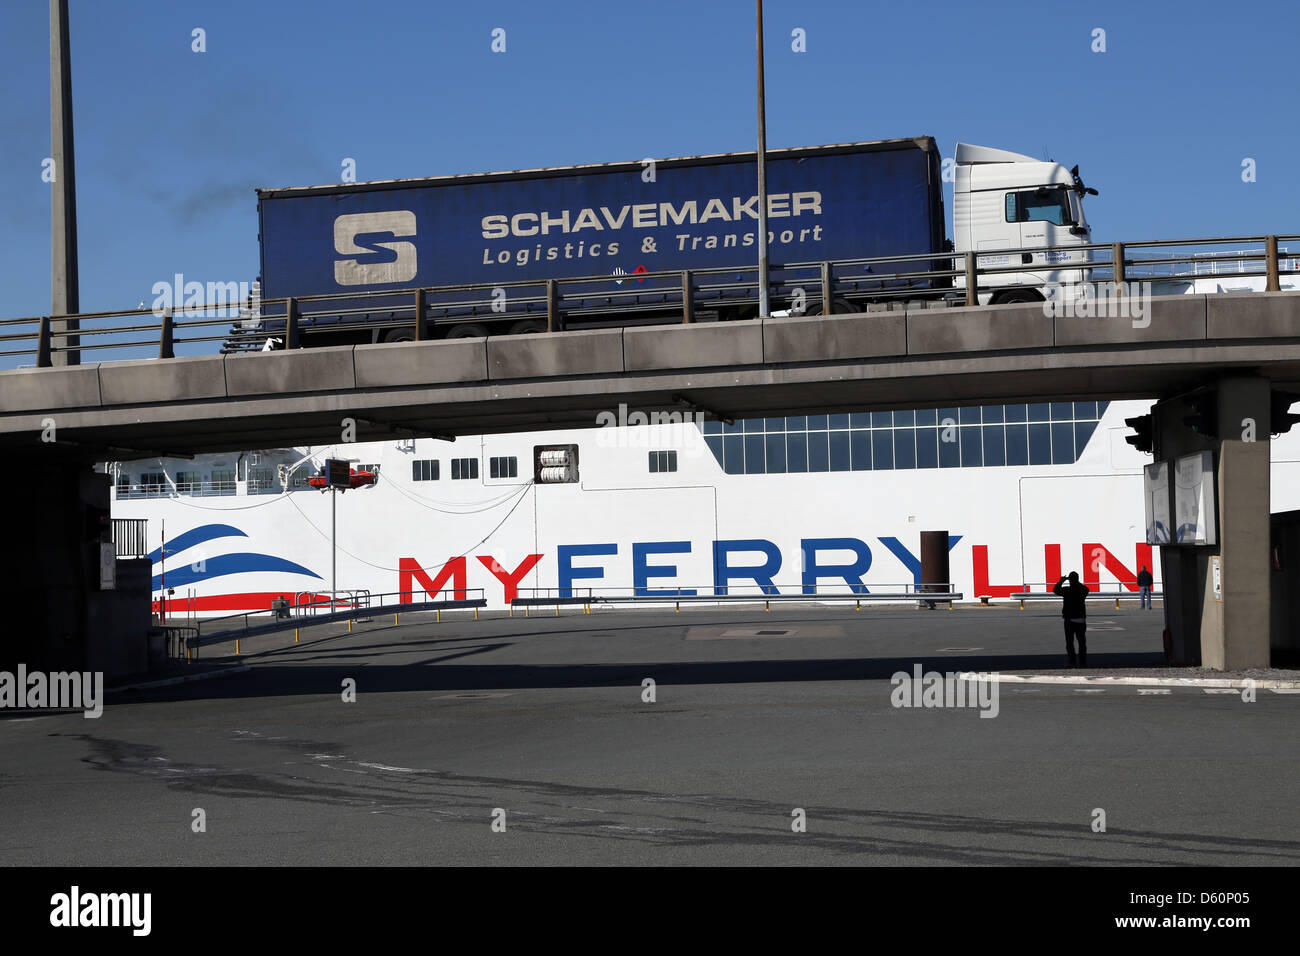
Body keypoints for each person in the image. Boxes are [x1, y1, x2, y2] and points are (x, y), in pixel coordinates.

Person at [1053, 571, 1090, 667]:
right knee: (1082, 642)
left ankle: (1072, 661)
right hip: (1081, 619)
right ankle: (1083, 661)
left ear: (1070, 580)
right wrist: (1075, 581)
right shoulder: (1083, 589)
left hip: (1070, 620)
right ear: (1078, 579)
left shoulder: (1067, 590)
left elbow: (1056, 590)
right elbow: (1086, 589)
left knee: (1070, 642)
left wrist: (1061, 581)